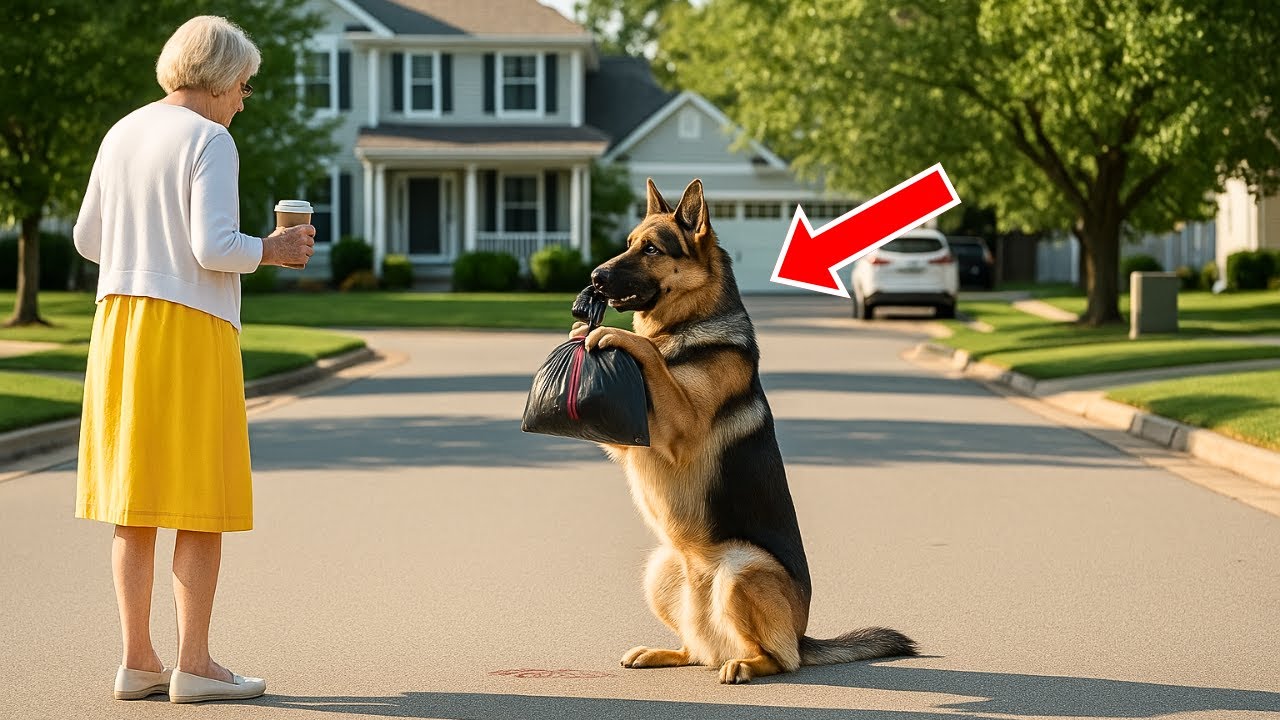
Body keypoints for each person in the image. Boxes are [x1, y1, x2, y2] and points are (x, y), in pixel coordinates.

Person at [72, 15, 315, 704]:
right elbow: (213, 248)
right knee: (199, 500)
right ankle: (196, 665)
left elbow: (90, 238)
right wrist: (273, 249)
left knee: (136, 497)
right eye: (243, 85)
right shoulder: (210, 139)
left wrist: (143, 245)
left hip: (120, 325)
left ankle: (137, 661)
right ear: (216, 80)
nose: (244, 99)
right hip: (190, 328)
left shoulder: (123, 131)